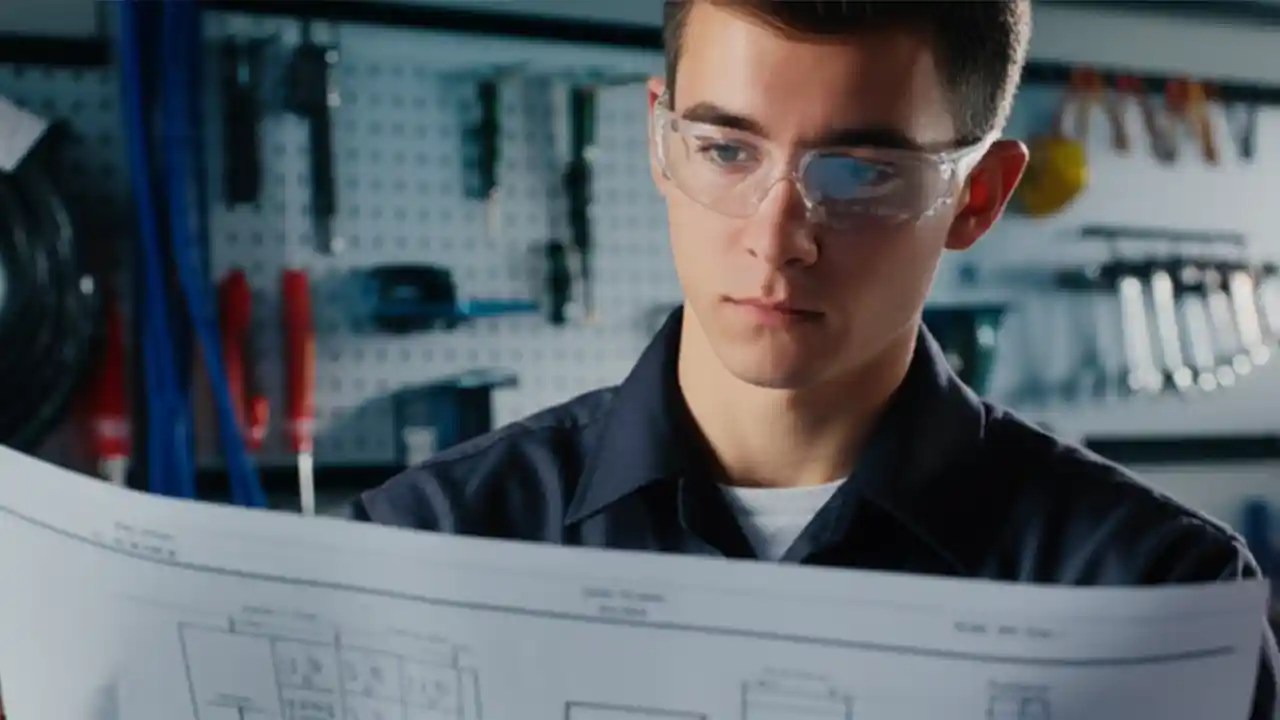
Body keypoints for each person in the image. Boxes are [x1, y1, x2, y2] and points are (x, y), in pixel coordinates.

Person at [348, 1, 1275, 713]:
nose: (777, 238)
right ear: (660, 142)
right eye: (725, 150)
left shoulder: (1159, 595)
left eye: (863, 172)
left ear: (978, 198)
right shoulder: (428, 545)